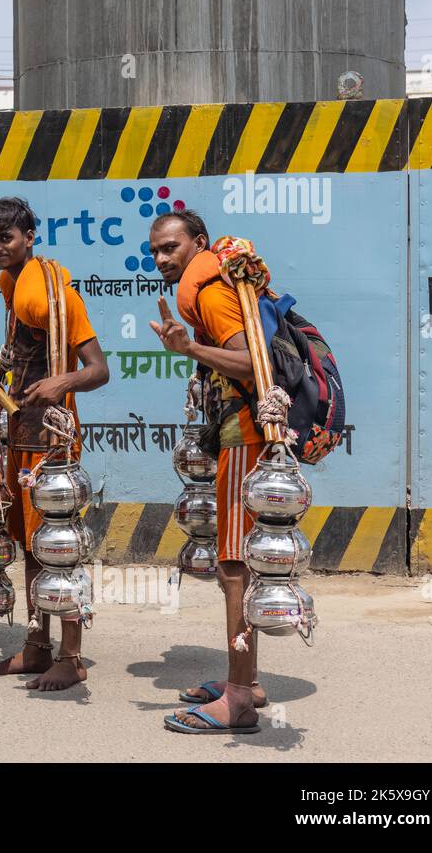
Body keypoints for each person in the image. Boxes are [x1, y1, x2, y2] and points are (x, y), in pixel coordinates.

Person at [0, 197, 109, 691]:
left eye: (6, 238)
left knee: (60, 546)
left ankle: (71, 657)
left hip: (53, 436)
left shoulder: (56, 293)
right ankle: (36, 647)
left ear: (30, 236)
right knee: (32, 544)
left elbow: (98, 370)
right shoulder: (13, 285)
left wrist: (60, 384)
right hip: (19, 429)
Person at [147, 208, 266, 734]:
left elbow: (252, 367)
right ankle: (248, 679)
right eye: (155, 251)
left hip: (245, 433)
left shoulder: (209, 290)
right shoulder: (204, 285)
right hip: (235, 432)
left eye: (171, 248)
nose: (161, 259)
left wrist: (189, 347)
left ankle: (238, 699)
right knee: (238, 563)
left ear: (197, 242)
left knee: (234, 564)